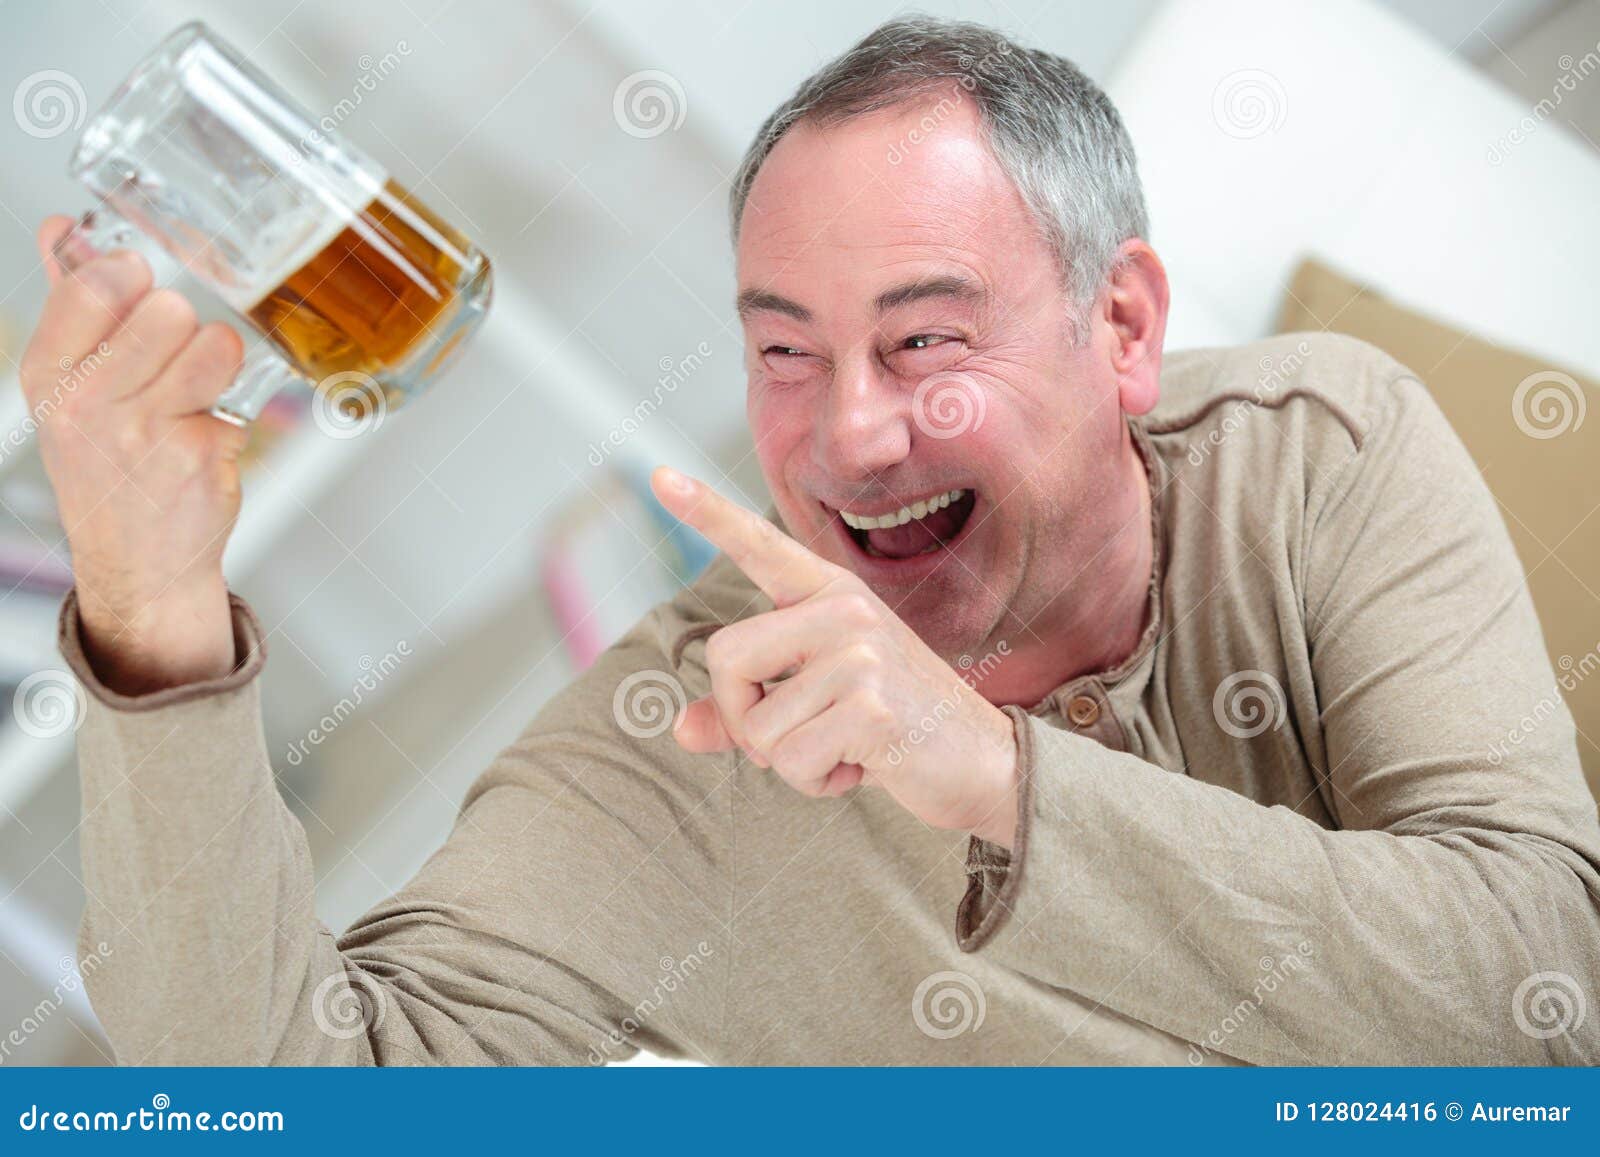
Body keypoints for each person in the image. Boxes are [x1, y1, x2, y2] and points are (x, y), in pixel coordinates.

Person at [20, 16, 1599, 1065]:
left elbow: (1548, 998)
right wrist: (150, 603)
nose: (849, 432)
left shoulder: (1317, 450)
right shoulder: (687, 730)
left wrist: (991, 773)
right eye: (785, 350)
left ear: (1121, 326)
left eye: (924, 342)